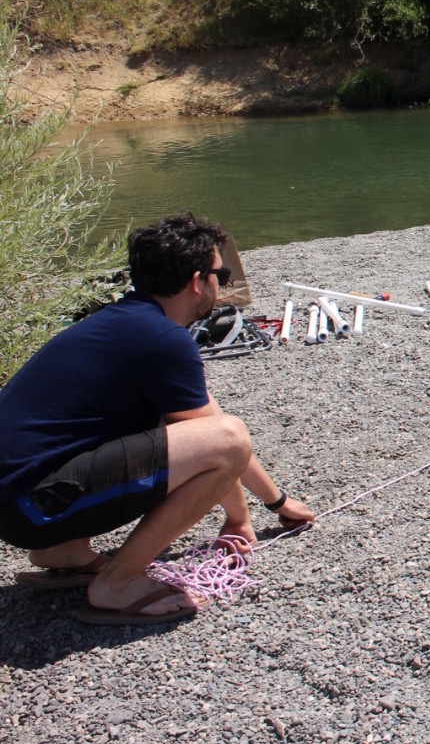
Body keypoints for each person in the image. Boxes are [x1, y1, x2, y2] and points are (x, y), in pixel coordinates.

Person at [0, 212, 313, 625]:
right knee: (229, 440)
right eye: (221, 272)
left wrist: (276, 501)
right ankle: (117, 583)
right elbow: (222, 444)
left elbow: (205, 415)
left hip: (18, 503)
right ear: (198, 281)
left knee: (208, 434)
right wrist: (238, 520)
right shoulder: (163, 340)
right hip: (31, 507)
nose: (223, 281)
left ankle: (65, 552)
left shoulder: (128, 323)